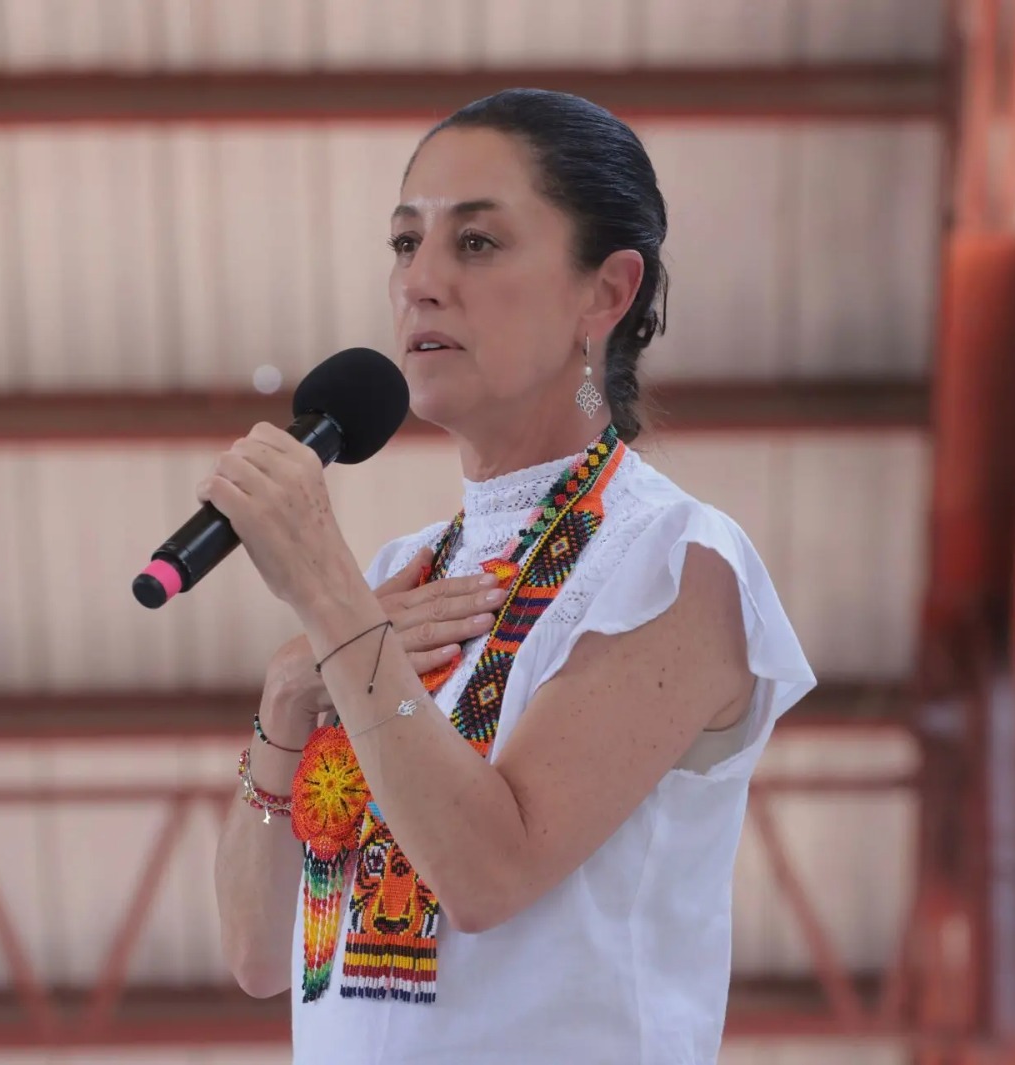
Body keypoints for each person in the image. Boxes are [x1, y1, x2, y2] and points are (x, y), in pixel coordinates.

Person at [209, 88, 815, 1064]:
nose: (421, 282)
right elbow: (258, 952)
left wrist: (327, 598)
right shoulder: (395, 577)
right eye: (405, 244)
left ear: (605, 294)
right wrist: (288, 695)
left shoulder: (676, 563)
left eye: (477, 244)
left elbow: (488, 873)